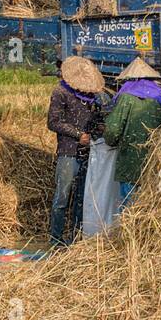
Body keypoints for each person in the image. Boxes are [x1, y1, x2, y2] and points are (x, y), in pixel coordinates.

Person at [103, 57, 161, 213]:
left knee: (130, 209)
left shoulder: (126, 98)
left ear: (129, 78)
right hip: (157, 162)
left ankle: (128, 236)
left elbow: (112, 131)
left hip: (130, 163)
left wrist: (111, 142)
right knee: (155, 207)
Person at [46, 55, 104, 246]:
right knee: (62, 198)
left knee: (81, 198)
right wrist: (78, 134)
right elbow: (53, 122)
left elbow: (97, 120)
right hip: (68, 152)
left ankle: (76, 237)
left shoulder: (92, 98)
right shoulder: (60, 92)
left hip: (87, 152)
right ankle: (55, 239)